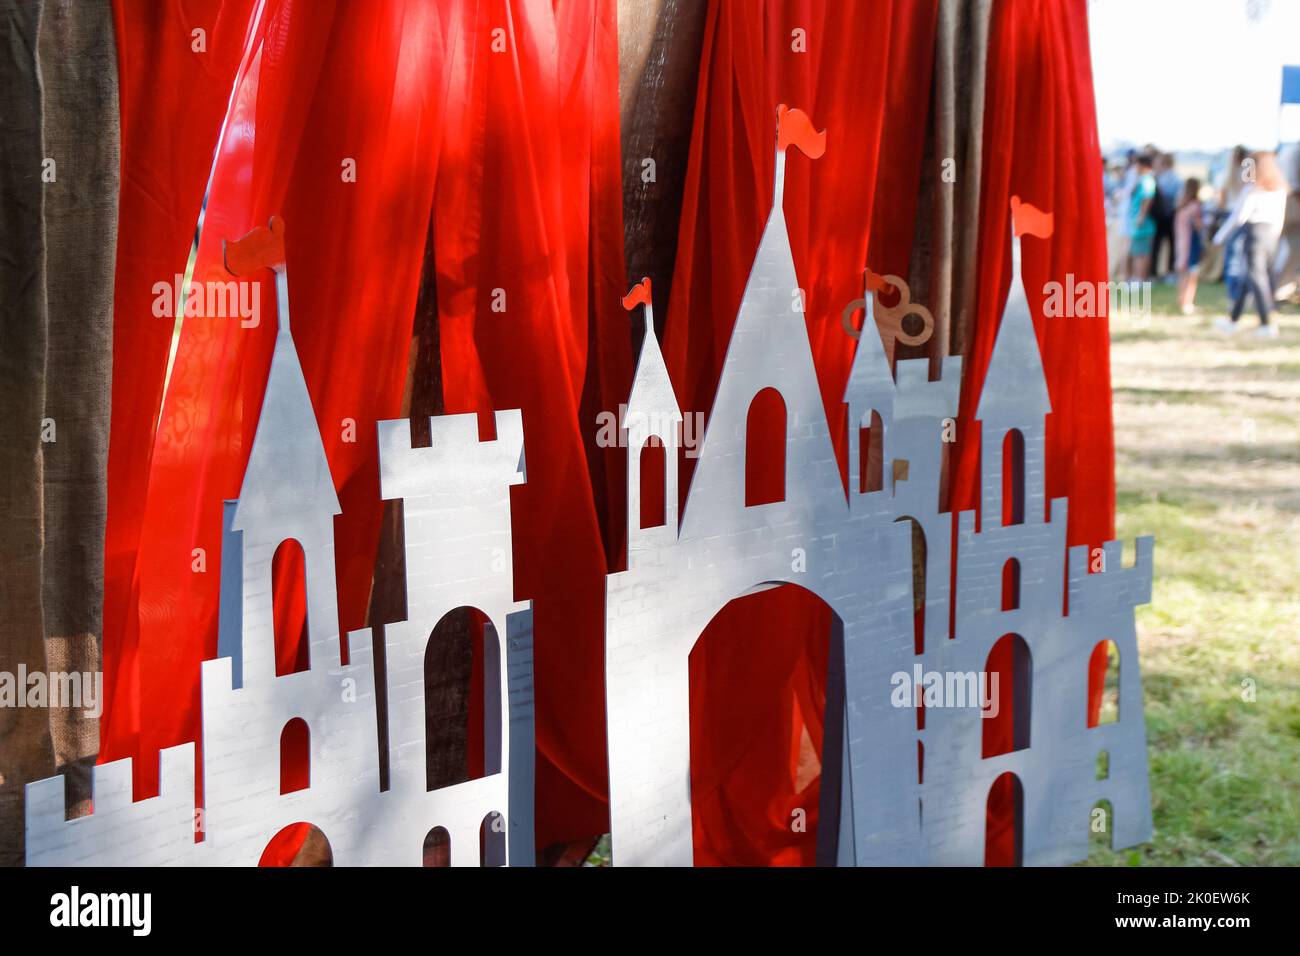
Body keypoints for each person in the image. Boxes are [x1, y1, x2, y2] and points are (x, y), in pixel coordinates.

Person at [1213, 151, 1289, 338]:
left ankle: (1266, 323)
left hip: (1255, 234)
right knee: (1249, 277)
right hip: (1271, 235)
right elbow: (1280, 217)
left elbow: (1238, 217)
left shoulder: (1253, 189)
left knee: (1256, 278)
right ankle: (1233, 320)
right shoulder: (1279, 189)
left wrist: (1219, 237)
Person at [1173, 178, 1204, 315]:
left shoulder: (1181, 206)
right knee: (1192, 274)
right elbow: (1199, 225)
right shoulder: (1195, 206)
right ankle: (1188, 302)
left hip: (1181, 242)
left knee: (1183, 273)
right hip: (1191, 243)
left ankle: (1182, 299)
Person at [1127, 153, 1158, 280]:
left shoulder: (1147, 180)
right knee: (1138, 251)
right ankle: (1137, 277)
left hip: (1143, 224)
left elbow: (1147, 198)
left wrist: (1141, 216)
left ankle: (1140, 278)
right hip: (1139, 221)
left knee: (1141, 252)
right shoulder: (1143, 179)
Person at [1153, 153, 1181, 279]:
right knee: (1171, 244)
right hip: (1170, 215)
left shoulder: (1159, 178)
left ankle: (1155, 272)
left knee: (1158, 244)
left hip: (1162, 216)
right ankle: (1169, 271)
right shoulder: (1176, 178)